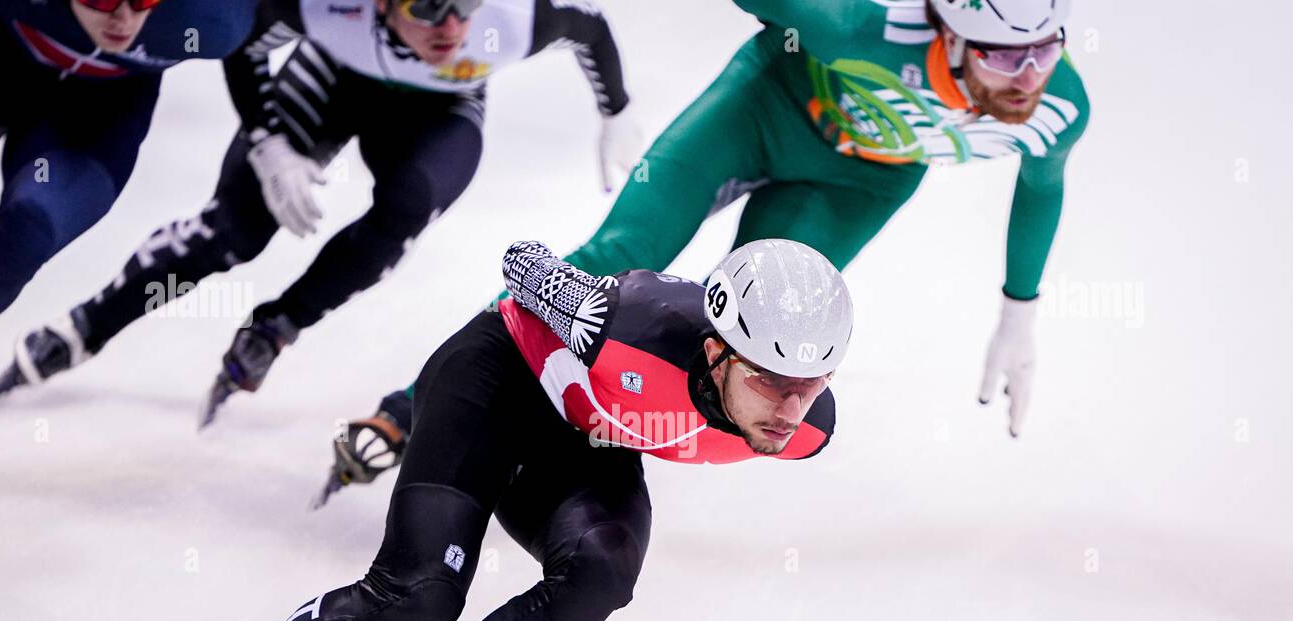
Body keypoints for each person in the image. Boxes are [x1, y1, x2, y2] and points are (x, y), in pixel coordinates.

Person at [103, 237, 852, 621]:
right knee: (418, 596)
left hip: (584, 440)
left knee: (605, 570)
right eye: (770, 381)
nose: (789, 410)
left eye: (810, 384)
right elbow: (521, 261)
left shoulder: (805, 430)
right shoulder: (631, 325)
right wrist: (580, 309)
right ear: (717, 352)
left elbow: (771, 407)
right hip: (494, 382)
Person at [322, 0, 1089, 503]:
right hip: (761, 107)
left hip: (860, 181)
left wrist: (1019, 311)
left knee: (756, 344)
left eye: (1044, 50)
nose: (1027, 77)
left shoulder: (1060, 106)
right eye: (1001, 58)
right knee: (614, 255)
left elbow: (1042, 187)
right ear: (948, 36)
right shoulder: (857, 26)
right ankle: (411, 408)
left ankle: (557, 442)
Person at [0, 0, 640, 423]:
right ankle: (88, 324)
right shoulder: (325, 7)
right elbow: (243, 42)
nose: (450, 27)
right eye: (426, 7)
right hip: (331, 78)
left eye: (464, 5)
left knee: (407, 211)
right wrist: (268, 141)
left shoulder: (518, 17)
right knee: (236, 228)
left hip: (442, 111)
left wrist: (617, 110)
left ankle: (279, 325)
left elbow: (592, 28)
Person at [0, 0, 258, 321]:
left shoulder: (211, 20)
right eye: (103, 0)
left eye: (143, 0)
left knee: (23, 239)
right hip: (5, 54)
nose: (124, 18)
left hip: (101, 108)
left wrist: (269, 138)